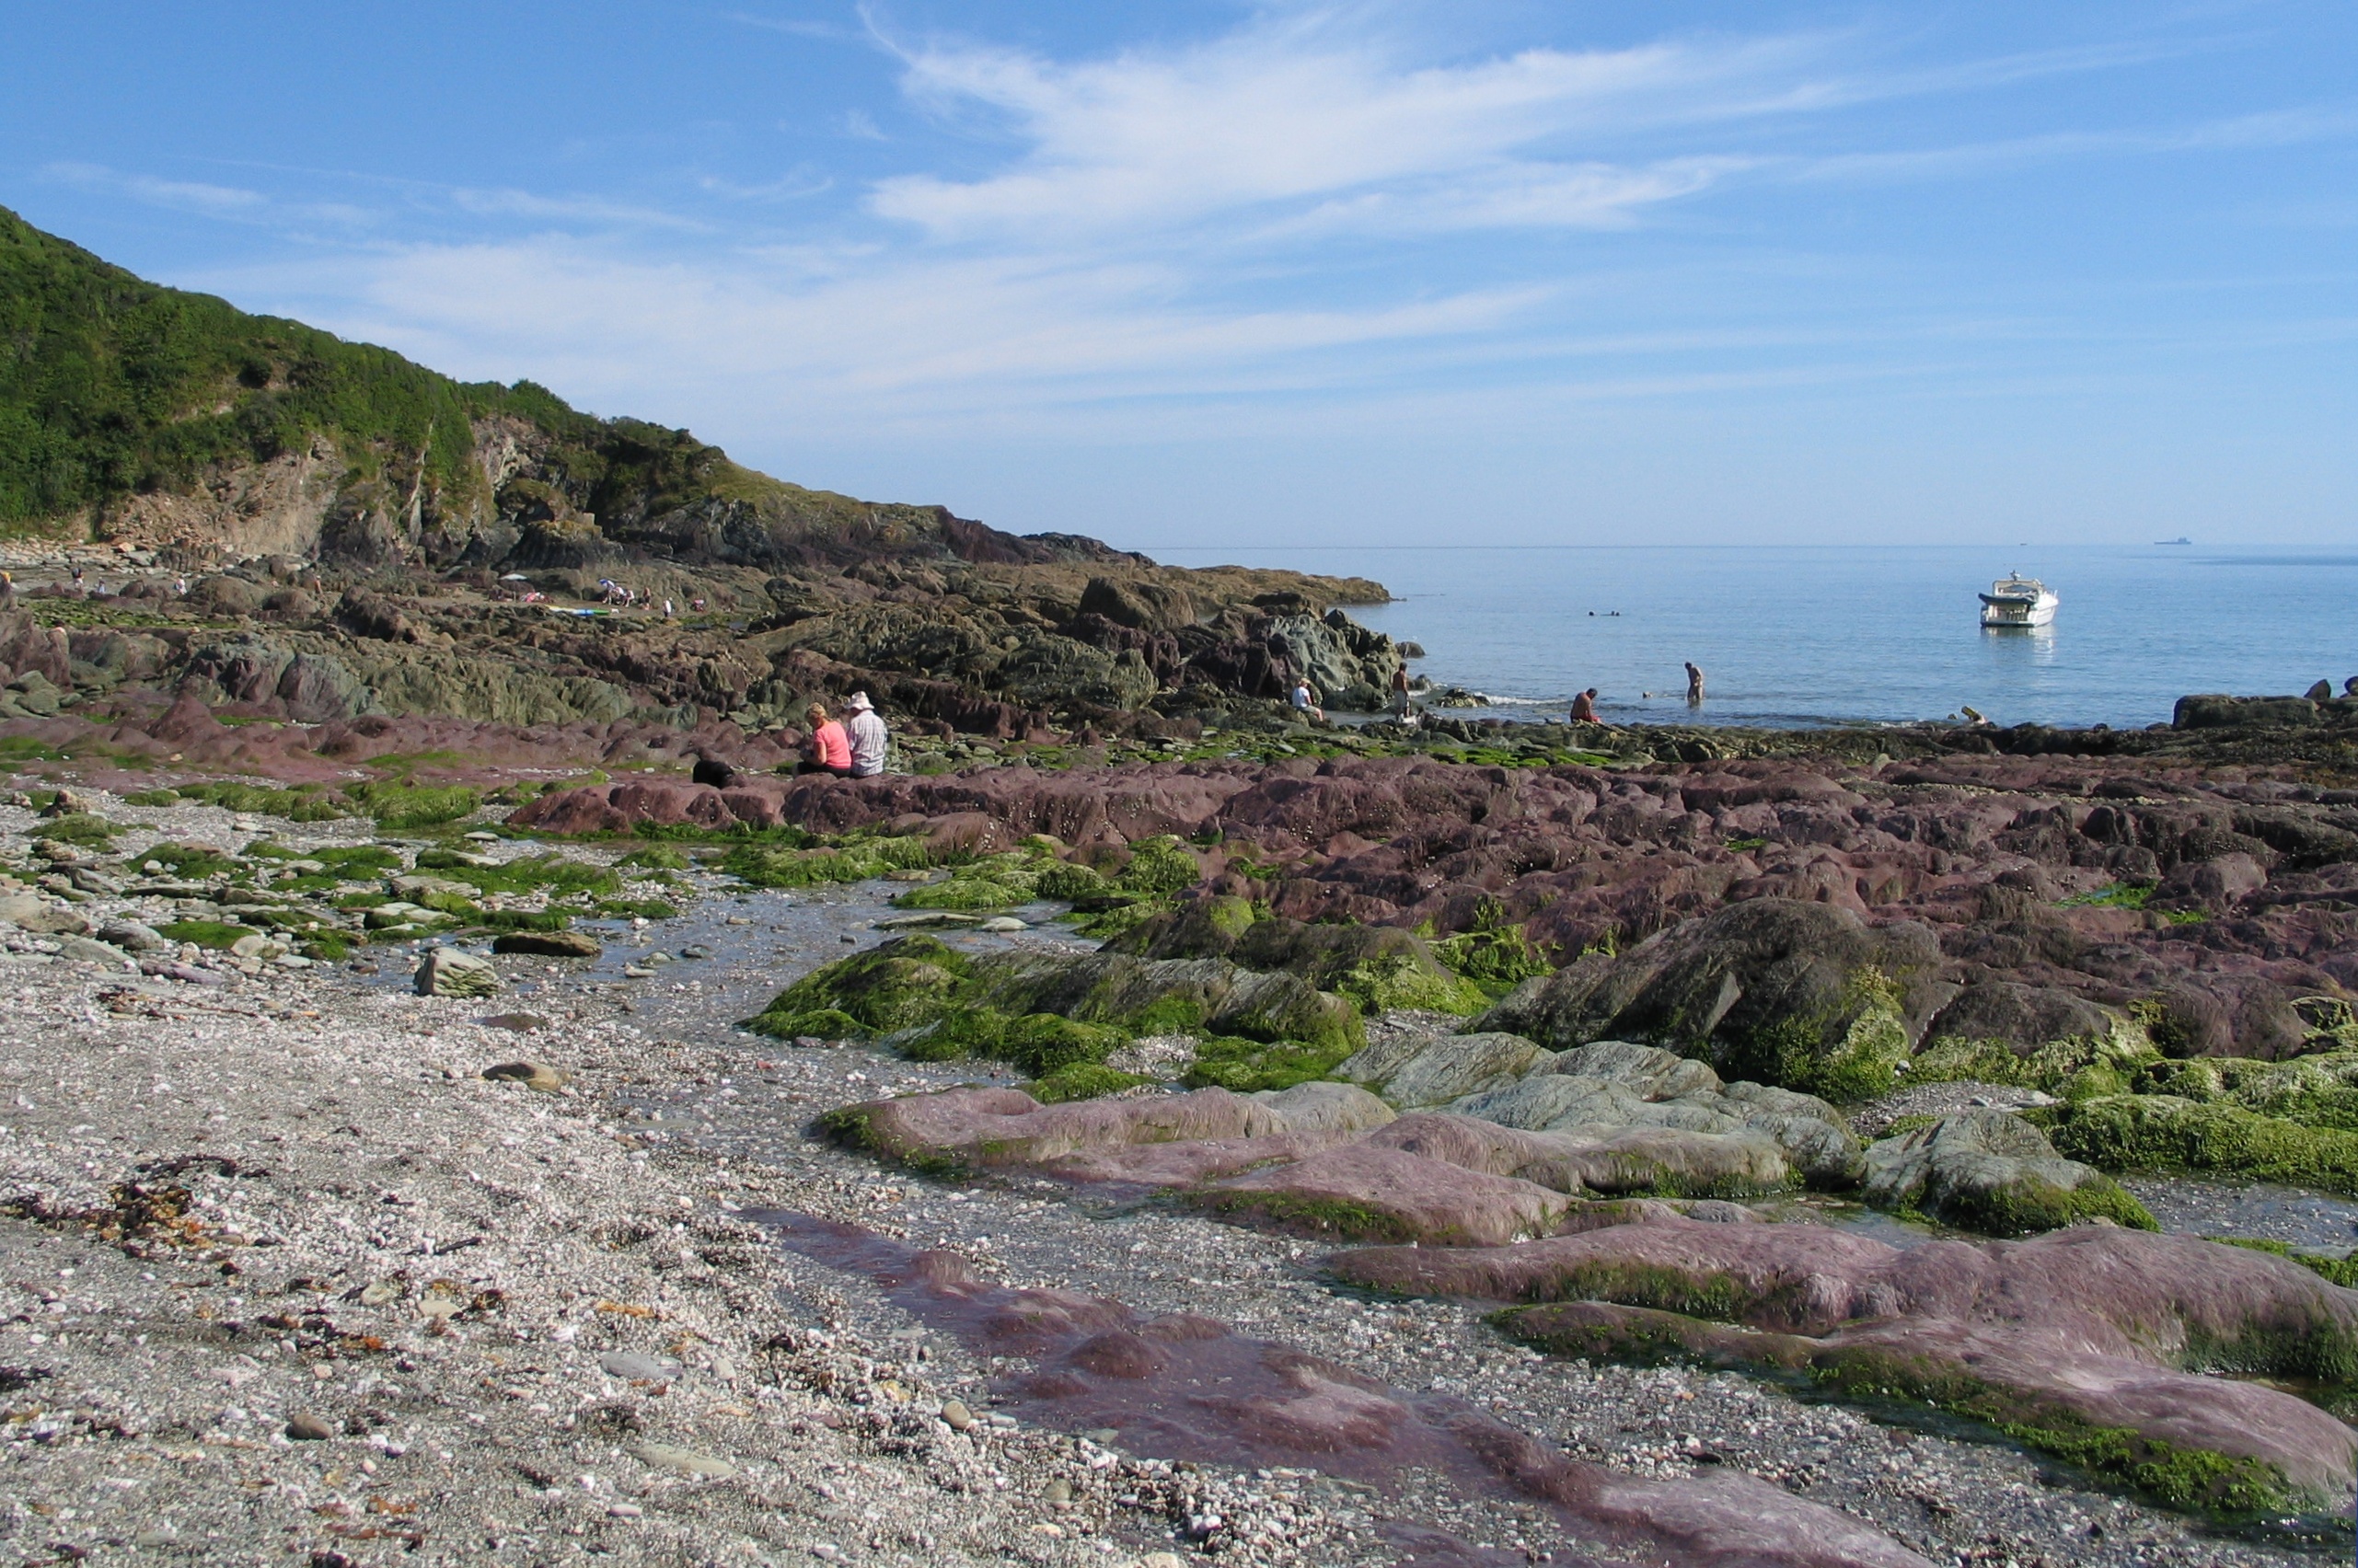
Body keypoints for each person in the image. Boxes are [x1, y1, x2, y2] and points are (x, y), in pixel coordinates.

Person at [799, 704, 852, 776]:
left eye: (811, 722)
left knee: (797, 768)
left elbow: (821, 760)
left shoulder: (820, 732)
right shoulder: (837, 725)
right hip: (847, 767)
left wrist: (806, 757)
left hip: (834, 768)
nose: (811, 726)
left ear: (818, 718)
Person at [844, 691, 888, 778]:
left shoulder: (855, 722)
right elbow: (884, 745)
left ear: (856, 708)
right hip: (877, 768)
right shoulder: (880, 722)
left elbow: (848, 747)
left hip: (859, 769)